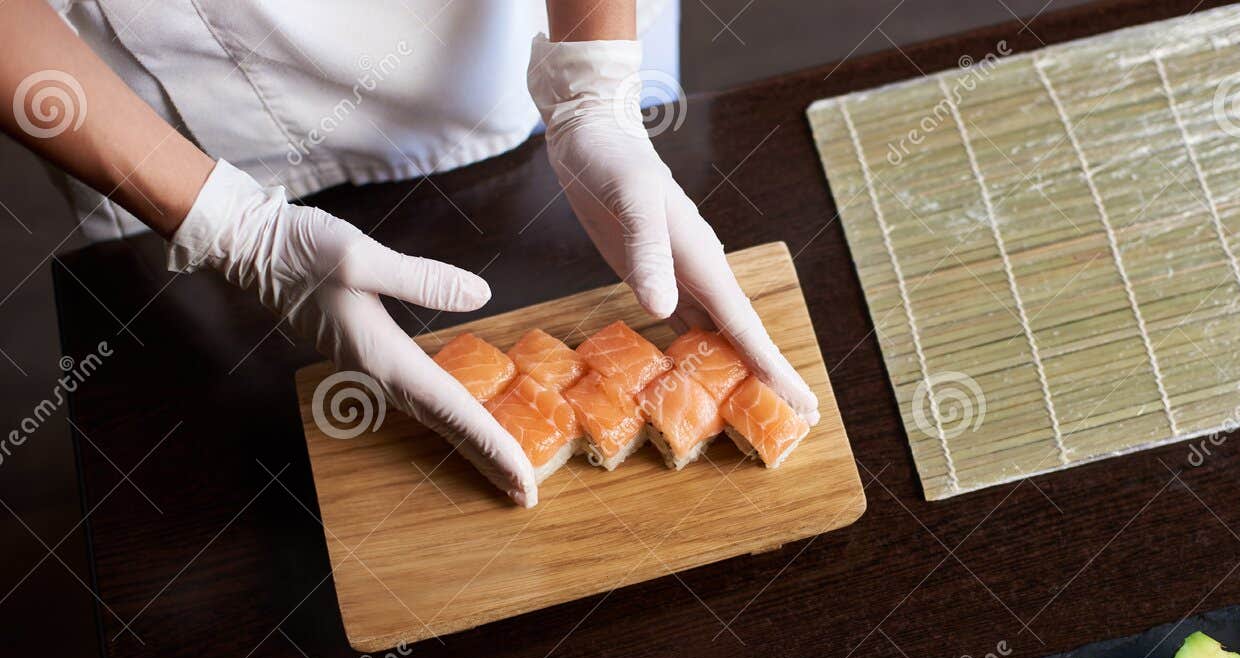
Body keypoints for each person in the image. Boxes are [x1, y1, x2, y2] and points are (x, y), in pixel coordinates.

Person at [0, 0, 819, 507]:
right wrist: (236, 229)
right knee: (227, 442)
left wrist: (593, 86)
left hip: (531, 30)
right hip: (167, 141)